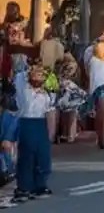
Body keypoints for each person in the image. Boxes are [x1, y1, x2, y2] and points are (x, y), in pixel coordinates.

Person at [5, 60, 54, 205]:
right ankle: (24, 187)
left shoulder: (47, 93)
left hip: (40, 124)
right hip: (26, 122)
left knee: (43, 156)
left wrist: (51, 131)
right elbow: (20, 76)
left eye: (41, 75)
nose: (39, 77)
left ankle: (39, 185)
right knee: (26, 157)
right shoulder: (22, 87)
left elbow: (51, 111)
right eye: (36, 74)